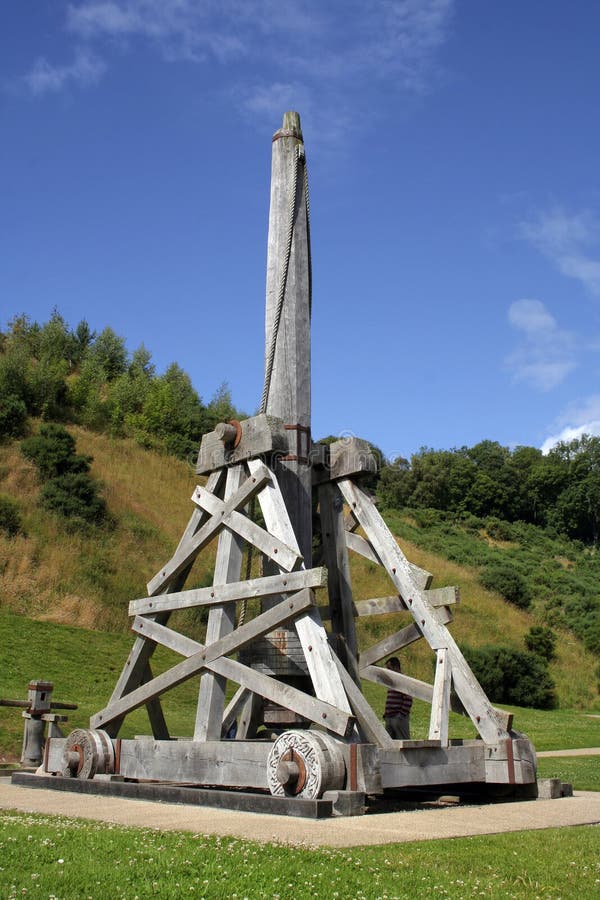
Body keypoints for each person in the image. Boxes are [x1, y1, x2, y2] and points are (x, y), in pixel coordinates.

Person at [383, 656, 412, 739]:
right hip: (389, 717)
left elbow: (408, 699)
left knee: (403, 741)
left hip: (398, 717)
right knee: (388, 744)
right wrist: (386, 715)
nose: (388, 671)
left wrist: (401, 715)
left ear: (396, 667)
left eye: (389, 668)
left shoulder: (403, 680)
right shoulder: (391, 681)